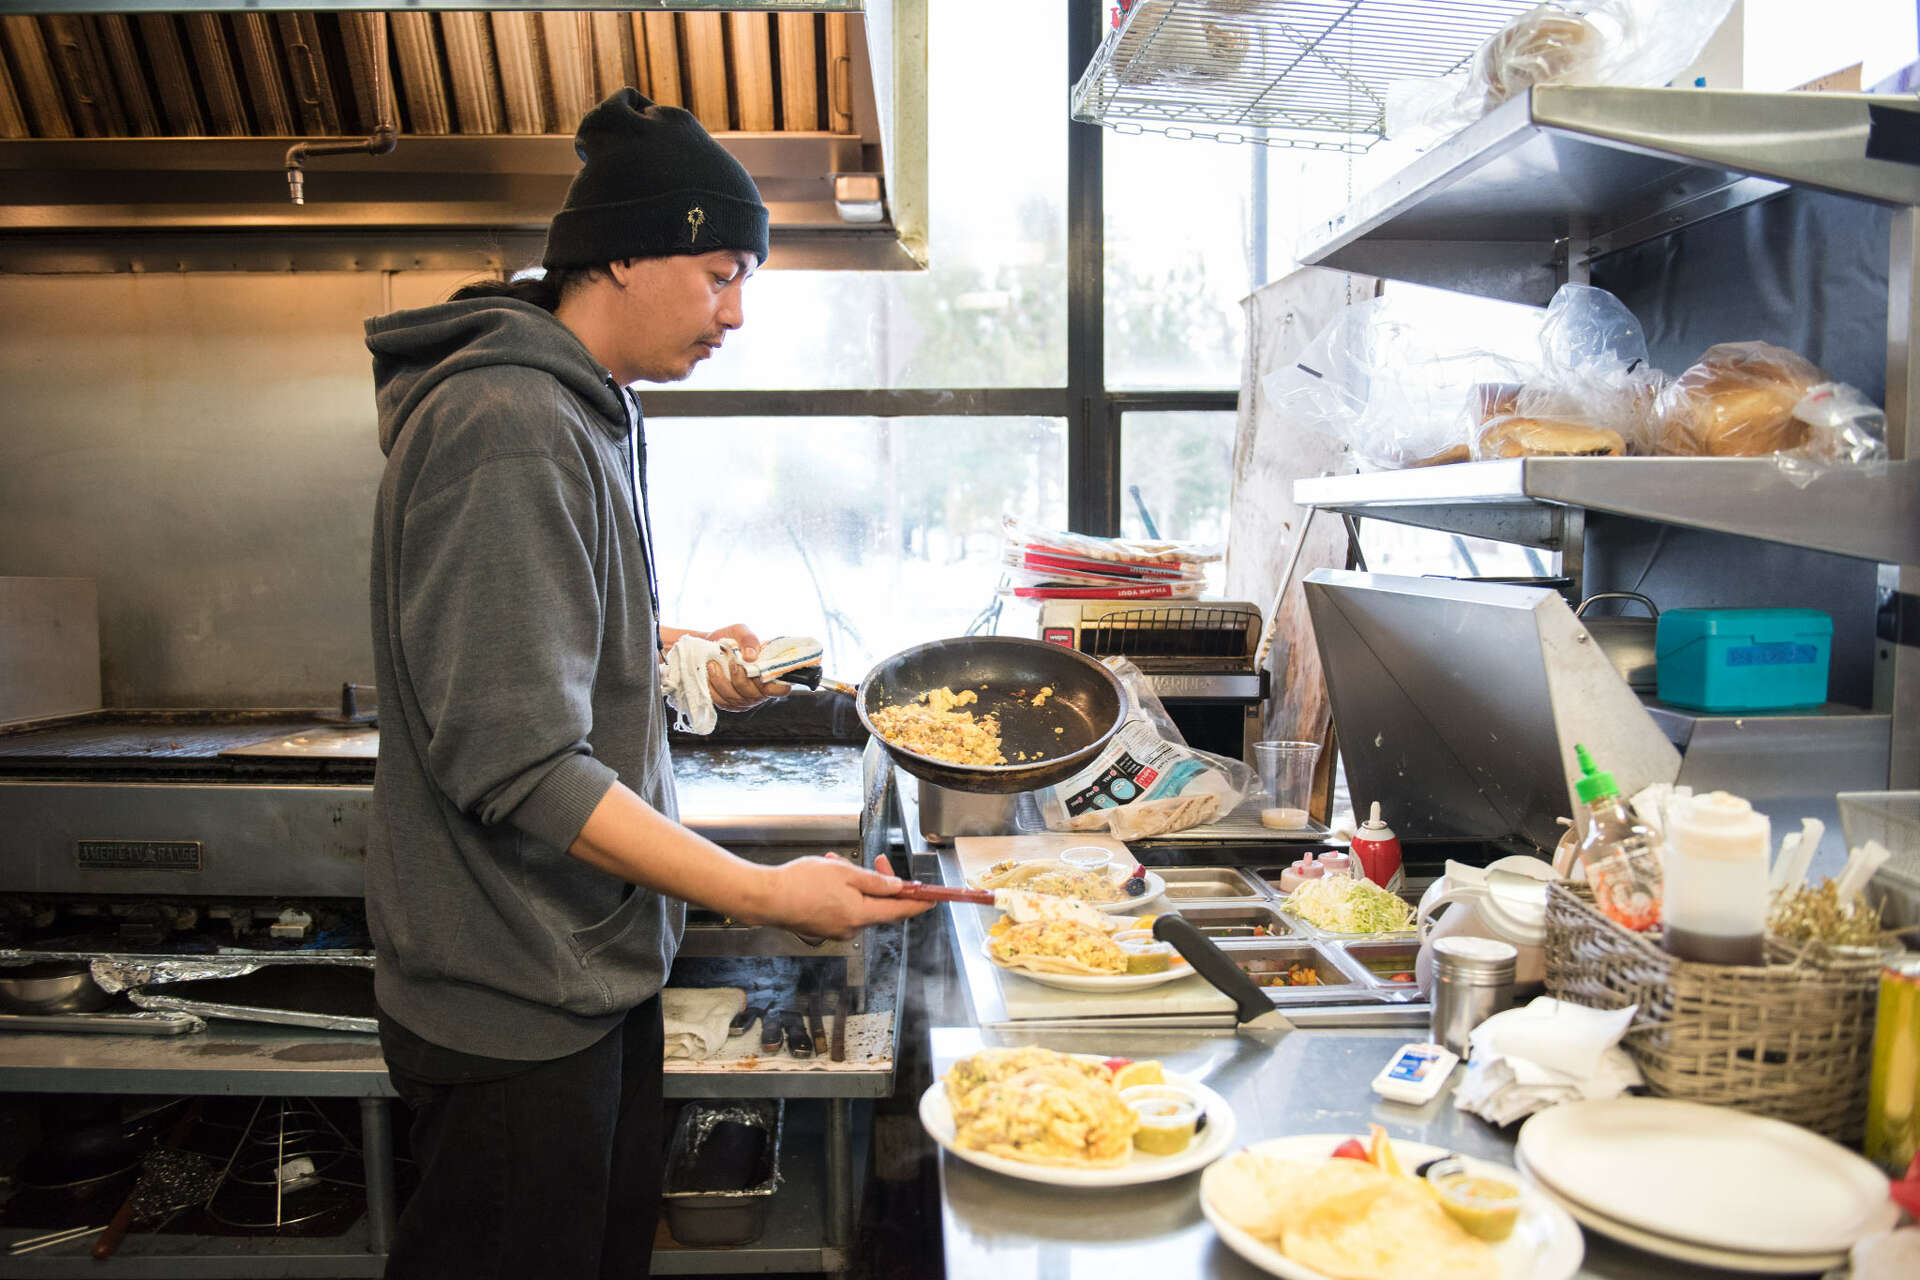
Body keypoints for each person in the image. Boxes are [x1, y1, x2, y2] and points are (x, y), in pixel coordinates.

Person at [362, 88, 928, 1280]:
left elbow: (531, 621)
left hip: (578, 978)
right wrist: (767, 893)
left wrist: (658, 643)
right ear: (620, 250)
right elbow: (519, 762)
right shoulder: (508, 418)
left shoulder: (582, 404)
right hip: (513, 997)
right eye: (721, 272)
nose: (735, 312)